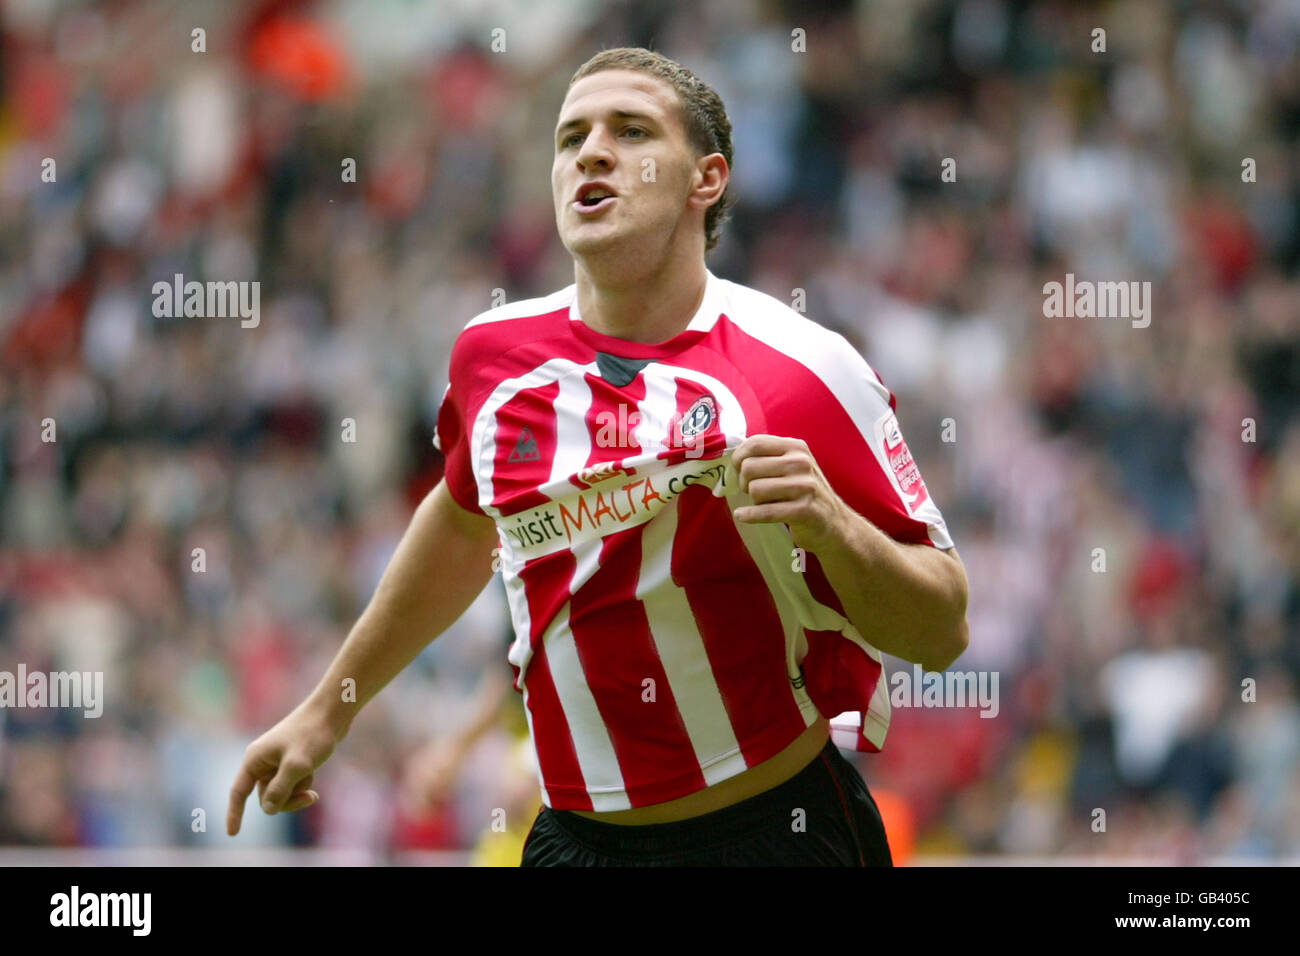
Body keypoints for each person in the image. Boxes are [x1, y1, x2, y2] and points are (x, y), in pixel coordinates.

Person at [227, 46, 970, 867]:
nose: (591, 152)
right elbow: (466, 519)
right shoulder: (493, 358)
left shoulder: (802, 369)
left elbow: (943, 628)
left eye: (632, 130)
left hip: (773, 832)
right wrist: (328, 710)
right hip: (571, 845)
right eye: (570, 136)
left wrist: (833, 526)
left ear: (705, 180)